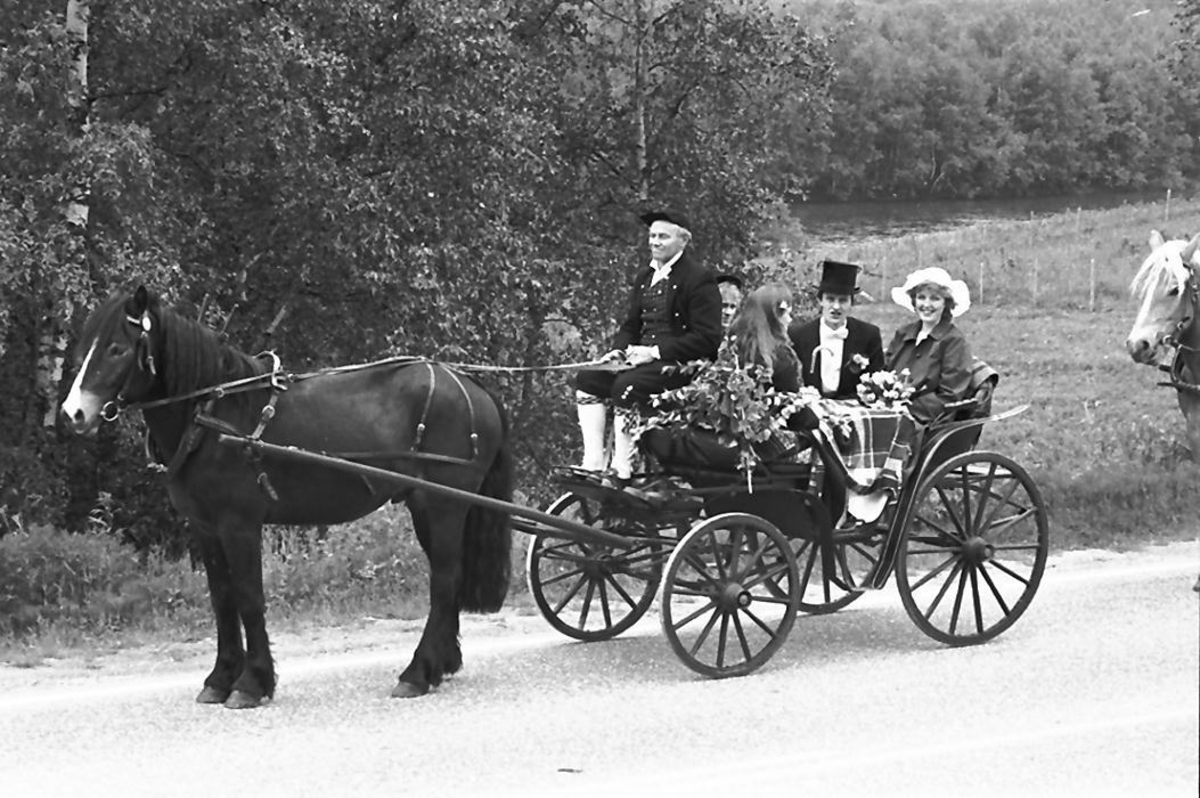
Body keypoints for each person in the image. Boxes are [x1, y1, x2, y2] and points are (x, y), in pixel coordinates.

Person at [573, 208, 722, 480]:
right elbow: (631, 326)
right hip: (641, 363)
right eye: (652, 236)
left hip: (680, 367)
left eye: (663, 237)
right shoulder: (645, 277)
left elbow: (708, 338)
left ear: (683, 241)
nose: (654, 242)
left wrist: (654, 352)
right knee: (589, 378)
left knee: (626, 387)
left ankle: (622, 466)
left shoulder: (699, 279)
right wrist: (617, 352)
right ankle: (593, 462)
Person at [886, 266, 973, 424]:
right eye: (921, 297)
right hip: (888, 409)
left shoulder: (954, 341)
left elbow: (950, 394)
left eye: (935, 299)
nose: (927, 304)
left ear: (946, 303)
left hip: (925, 420)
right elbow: (885, 370)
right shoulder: (904, 333)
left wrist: (907, 410)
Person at [788, 260, 884, 399]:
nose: (836, 307)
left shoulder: (868, 335)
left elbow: (876, 381)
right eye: (830, 299)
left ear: (851, 303)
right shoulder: (798, 335)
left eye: (843, 300)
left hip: (853, 407)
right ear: (820, 300)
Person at [726, 283, 800, 391]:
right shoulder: (782, 357)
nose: (789, 320)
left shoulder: (730, 346)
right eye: (787, 314)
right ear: (774, 318)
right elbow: (789, 397)